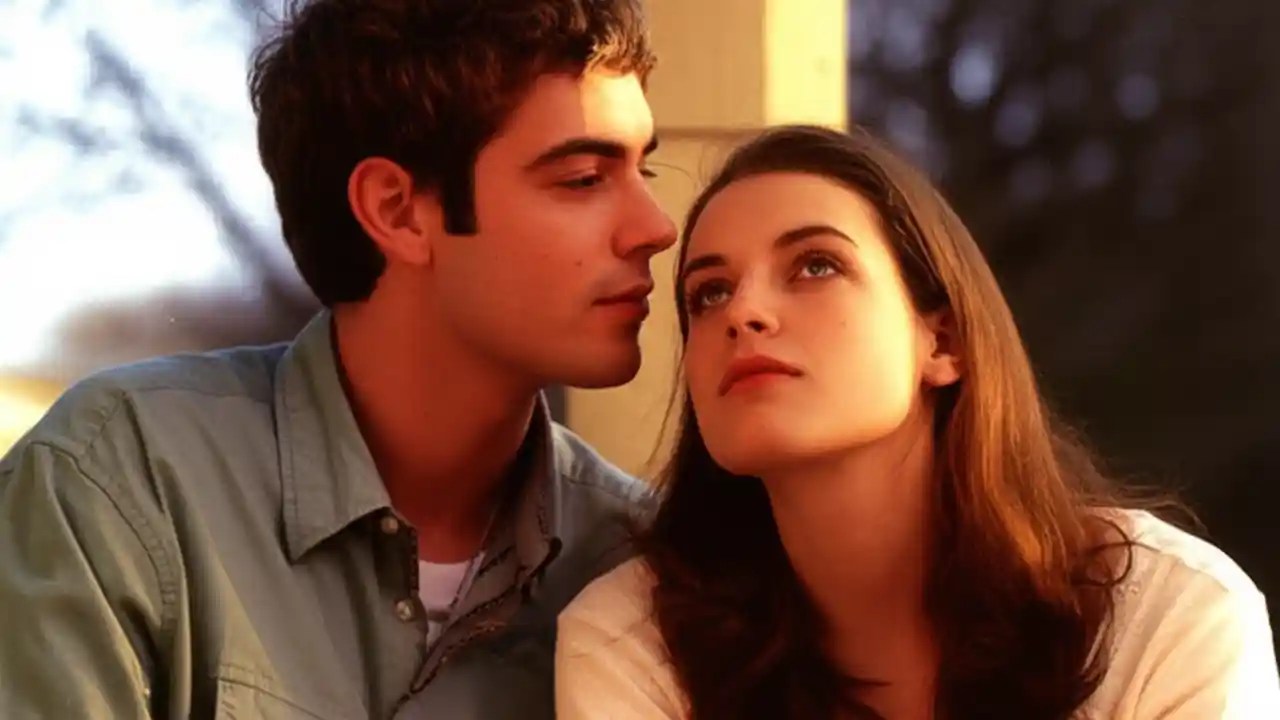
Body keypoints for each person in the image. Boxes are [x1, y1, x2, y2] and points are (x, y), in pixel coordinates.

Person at [0, 0, 675, 717]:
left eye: (645, 174)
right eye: (581, 180)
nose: (654, 228)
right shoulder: (121, 485)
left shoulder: (643, 564)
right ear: (396, 210)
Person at [555, 125, 1280, 719]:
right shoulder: (632, 643)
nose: (743, 312)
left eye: (814, 266)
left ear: (943, 341)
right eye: (708, 293)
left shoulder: (1167, 620)